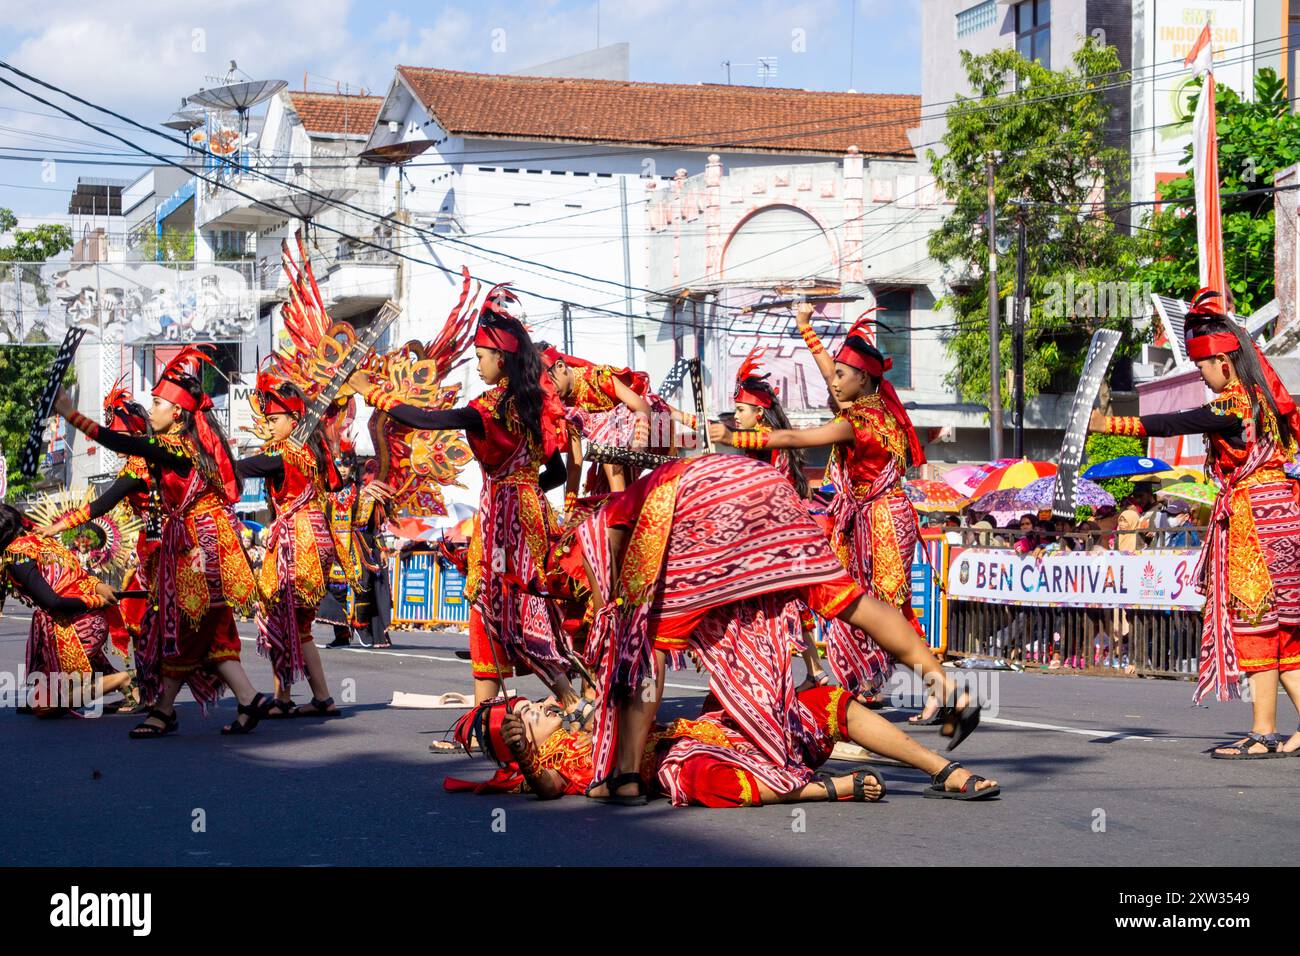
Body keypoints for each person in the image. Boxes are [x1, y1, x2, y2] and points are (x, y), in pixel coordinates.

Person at [551, 454, 980, 804]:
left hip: (706, 507)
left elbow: (618, 617)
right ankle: (945, 687)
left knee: (649, 642)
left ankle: (625, 777)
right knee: (851, 602)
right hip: (763, 489)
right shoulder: (651, 502)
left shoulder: (599, 527)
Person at [348, 285, 581, 714]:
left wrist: (372, 392)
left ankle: (567, 701)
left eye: (480, 357)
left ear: (501, 359)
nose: (478, 364)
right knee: (507, 607)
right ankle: (493, 715)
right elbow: (558, 473)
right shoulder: (534, 406)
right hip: (531, 516)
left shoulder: (488, 408)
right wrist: (523, 490)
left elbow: (423, 419)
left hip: (504, 526)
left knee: (498, 607)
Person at [1088, 288, 1300, 758]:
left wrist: (1113, 424)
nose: (1202, 377)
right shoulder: (1266, 401)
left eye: (1203, 367)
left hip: (1253, 521)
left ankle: (1263, 733)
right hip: (1281, 513)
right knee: (1285, 629)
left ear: (1224, 362)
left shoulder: (1235, 403)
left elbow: (1178, 421)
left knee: (1257, 623)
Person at [709, 302, 928, 706]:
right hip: (864, 517)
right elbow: (833, 373)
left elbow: (793, 440)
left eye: (842, 376)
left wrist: (731, 437)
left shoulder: (856, 422)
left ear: (863, 378)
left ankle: (932, 685)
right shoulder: (872, 407)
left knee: (886, 604)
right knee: (858, 602)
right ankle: (864, 680)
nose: (833, 382)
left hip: (882, 518)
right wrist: (805, 329)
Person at [52, 347, 268, 737]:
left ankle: (163, 709)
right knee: (212, 629)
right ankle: (248, 698)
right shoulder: (188, 448)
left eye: (157, 402)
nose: (150, 409)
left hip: (195, 550)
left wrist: (72, 416)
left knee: (183, 627)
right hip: (202, 544)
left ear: (178, 413)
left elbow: (126, 445)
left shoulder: (175, 448)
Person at [447, 686, 999, 805]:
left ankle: (940, 767)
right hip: (681, 760)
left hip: (707, 730)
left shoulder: (580, 713)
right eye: (523, 719)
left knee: (816, 700)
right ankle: (825, 790)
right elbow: (546, 789)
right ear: (520, 746)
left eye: (529, 706)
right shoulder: (553, 766)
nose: (536, 709)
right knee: (697, 775)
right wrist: (524, 758)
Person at [235, 375, 344, 718]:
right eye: (266, 420)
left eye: (274, 420)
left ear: (294, 421)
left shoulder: (286, 454)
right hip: (309, 536)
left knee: (289, 621)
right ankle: (291, 697)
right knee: (291, 622)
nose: (268, 426)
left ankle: (314, 697)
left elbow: (243, 467)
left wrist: (210, 463)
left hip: (299, 541)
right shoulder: (306, 452)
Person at [1, 504, 134, 715]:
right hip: (80, 620)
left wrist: (97, 600)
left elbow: (52, 602)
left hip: (76, 624)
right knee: (33, 700)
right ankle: (133, 691)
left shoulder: (16, 555)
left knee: (45, 707)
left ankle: (123, 679)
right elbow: (80, 577)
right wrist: (98, 593)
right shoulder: (44, 541)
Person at [537, 341, 691, 497]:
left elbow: (644, 409)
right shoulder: (566, 408)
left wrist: (638, 441)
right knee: (601, 495)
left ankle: (620, 506)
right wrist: (569, 508)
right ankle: (619, 507)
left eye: (548, 383)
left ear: (560, 367)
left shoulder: (597, 377)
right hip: (617, 446)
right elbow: (574, 463)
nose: (549, 391)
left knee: (607, 443)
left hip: (653, 423)